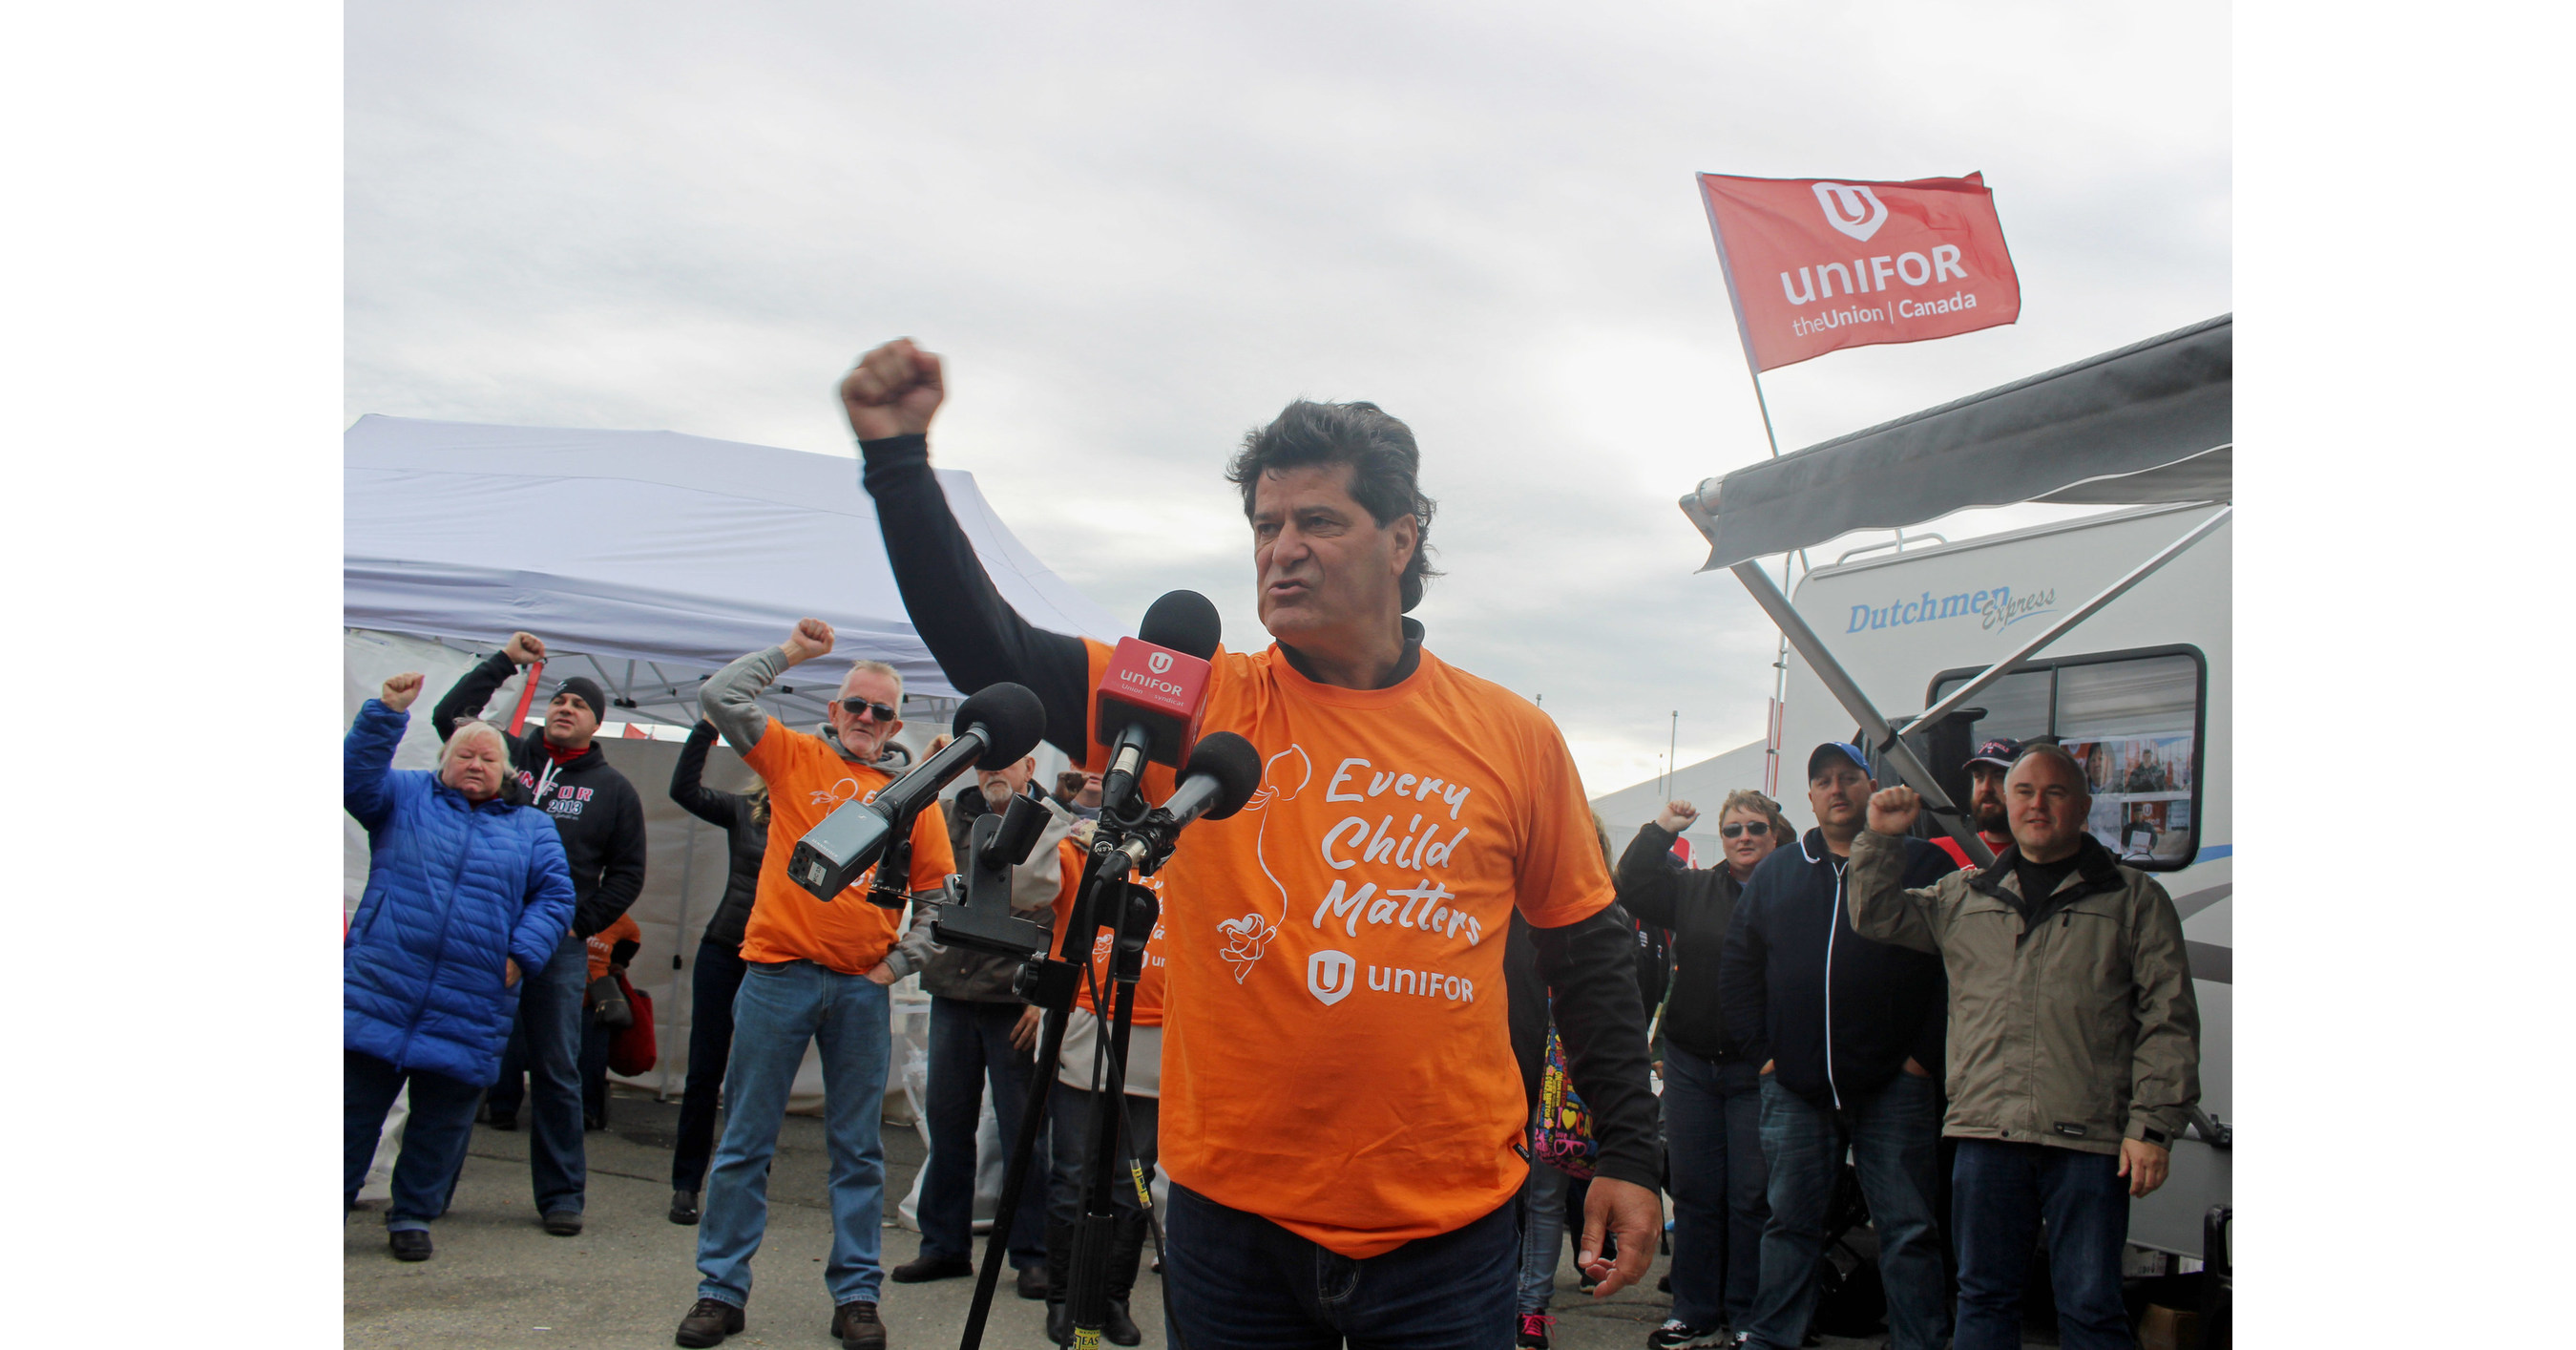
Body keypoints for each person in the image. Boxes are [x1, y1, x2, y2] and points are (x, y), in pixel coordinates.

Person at [846, 337, 1662, 1347]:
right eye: (1265, 524)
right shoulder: (1203, 701)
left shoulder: (1511, 735)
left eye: (1318, 520)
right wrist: (898, 464)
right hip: (1233, 1224)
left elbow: (1587, 955)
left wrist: (1629, 1152)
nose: (1281, 547)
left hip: (1448, 1234)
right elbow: (994, 650)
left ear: (1400, 539)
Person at [1850, 749, 2202, 1350]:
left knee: (2091, 1306)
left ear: (2084, 807)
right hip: (1987, 1136)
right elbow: (1875, 915)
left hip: (2089, 1142)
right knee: (1983, 1299)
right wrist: (1880, 839)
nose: (2037, 804)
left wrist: (2152, 1126)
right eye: (2024, 792)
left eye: (2055, 792)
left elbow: (2168, 1020)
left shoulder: (2133, 899)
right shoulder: (1964, 896)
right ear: (2006, 804)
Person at [672, 620, 955, 1350]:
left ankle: (857, 1294)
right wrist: (794, 654)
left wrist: (899, 963)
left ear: (897, 722)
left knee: (858, 1150)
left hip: (861, 989)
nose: (866, 720)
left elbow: (941, 896)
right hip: (775, 973)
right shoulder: (793, 757)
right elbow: (719, 695)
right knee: (744, 1139)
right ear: (834, 712)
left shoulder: (911, 794)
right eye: (855, 706)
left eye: (881, 711)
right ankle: (719, 1291)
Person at [1717, 743, 1954, 1350]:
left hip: (1894, 1084)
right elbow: (1738, 968)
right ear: (1810, 795)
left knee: (1908, 1228)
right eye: (1823, 780)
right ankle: (1773, 1337)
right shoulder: (1777, 870)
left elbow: (1955, 971)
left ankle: (1919, 1341)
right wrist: (1763, 1057)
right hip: (1796, 1085)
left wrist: (1923, 1059)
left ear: (1870, 784)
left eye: (1849, 777)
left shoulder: (1923, 862)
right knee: (1790, 1223)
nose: (1837, 789)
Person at [345, 674, 576, 1261]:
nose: (476, 764)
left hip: (471, 997)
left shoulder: (534, 828)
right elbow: (353, 780)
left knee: (442, 1122)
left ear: (507, 771)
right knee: (351, 1114)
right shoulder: (405, 796)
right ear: (444, 760)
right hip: (382, 985)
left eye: (488, 757)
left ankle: (413, 1217)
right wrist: (387, 713)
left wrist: (521, 954)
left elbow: (555, 899)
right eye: (464, 754)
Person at [429, 632, 647, 1235]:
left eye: (579, 703)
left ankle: (561, 1197)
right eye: (558, 698)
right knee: (461, 1059)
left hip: (559, 941)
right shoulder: (511, 760)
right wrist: (505, 663)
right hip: (484, 933)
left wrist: (581, 923)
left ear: (597, 722)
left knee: (556, 1067)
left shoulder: (614, 791)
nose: (564, 706)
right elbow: (450, 719)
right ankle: (430, 1192)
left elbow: (629, 873)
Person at [891, 751, 1079, 1303]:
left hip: (1013, 998)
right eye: (985, 764)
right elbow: (915, 864)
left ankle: (1032, 1256)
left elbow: (1068, 915)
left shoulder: (1051, 823)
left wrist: (1043, 1000)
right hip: (951, 991)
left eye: (1007, 764)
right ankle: (944, 1246)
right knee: (948, 1123)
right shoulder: (946, 815)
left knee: (1026, 1134)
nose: (993, 772)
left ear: (1028, 767)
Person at [1616, 790, 1791, 1349]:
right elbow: (1632, 882)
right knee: (1693, 1193)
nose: (1744, 837)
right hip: (1691, 1066)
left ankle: (1746, 1315)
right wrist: (1662, 827)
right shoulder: (1694, 889)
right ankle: (1692, 1309)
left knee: (1750, 1198)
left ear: (1776, 835)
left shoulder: (1794, 893)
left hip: (1757, 1072)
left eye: (1756, 828)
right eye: (1734, 829)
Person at [1041, 826, 1169, 1347]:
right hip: (1089, 1025)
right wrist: (1056, 824)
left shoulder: (1189, 854)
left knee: (1131, 1182)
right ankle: (1064, 1299)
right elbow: (1031, 887)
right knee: (1074, 1174)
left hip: (1159, 1035)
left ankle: (1112, 1299)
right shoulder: (1091, 844)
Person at [663, 718, 773, 1226]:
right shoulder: (744, 810)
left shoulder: (824, 822)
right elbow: (683, 790)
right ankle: (686, 1184)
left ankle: (749, 1185)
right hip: (724, 947)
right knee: (705, 1072)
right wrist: (706, 730)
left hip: (774, 959)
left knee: (756, 1080)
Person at [577, 913, 643, 1129]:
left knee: (594, 1047)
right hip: (556, 993)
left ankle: (587, 1110)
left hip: (593, 998)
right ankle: (503, 1106)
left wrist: (617, 964)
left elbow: (634, 936)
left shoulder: (615, 917)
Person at [1929, 737, 2022, 870]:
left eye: (1999, 777)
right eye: (1979, 777)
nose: (1986, 788)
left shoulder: (2044, 856)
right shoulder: (1939, 851)